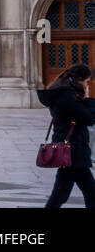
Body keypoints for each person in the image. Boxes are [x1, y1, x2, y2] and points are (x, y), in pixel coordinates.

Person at [39, 63, 95, 208]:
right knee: (63, 193)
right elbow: (89, 118)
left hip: (71, 149)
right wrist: (88, 99)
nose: (87, 85)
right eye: (87, 81)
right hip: (72, 150)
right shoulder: (67, 96)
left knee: (67, 192)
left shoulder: (64, 94)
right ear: (80, 79)